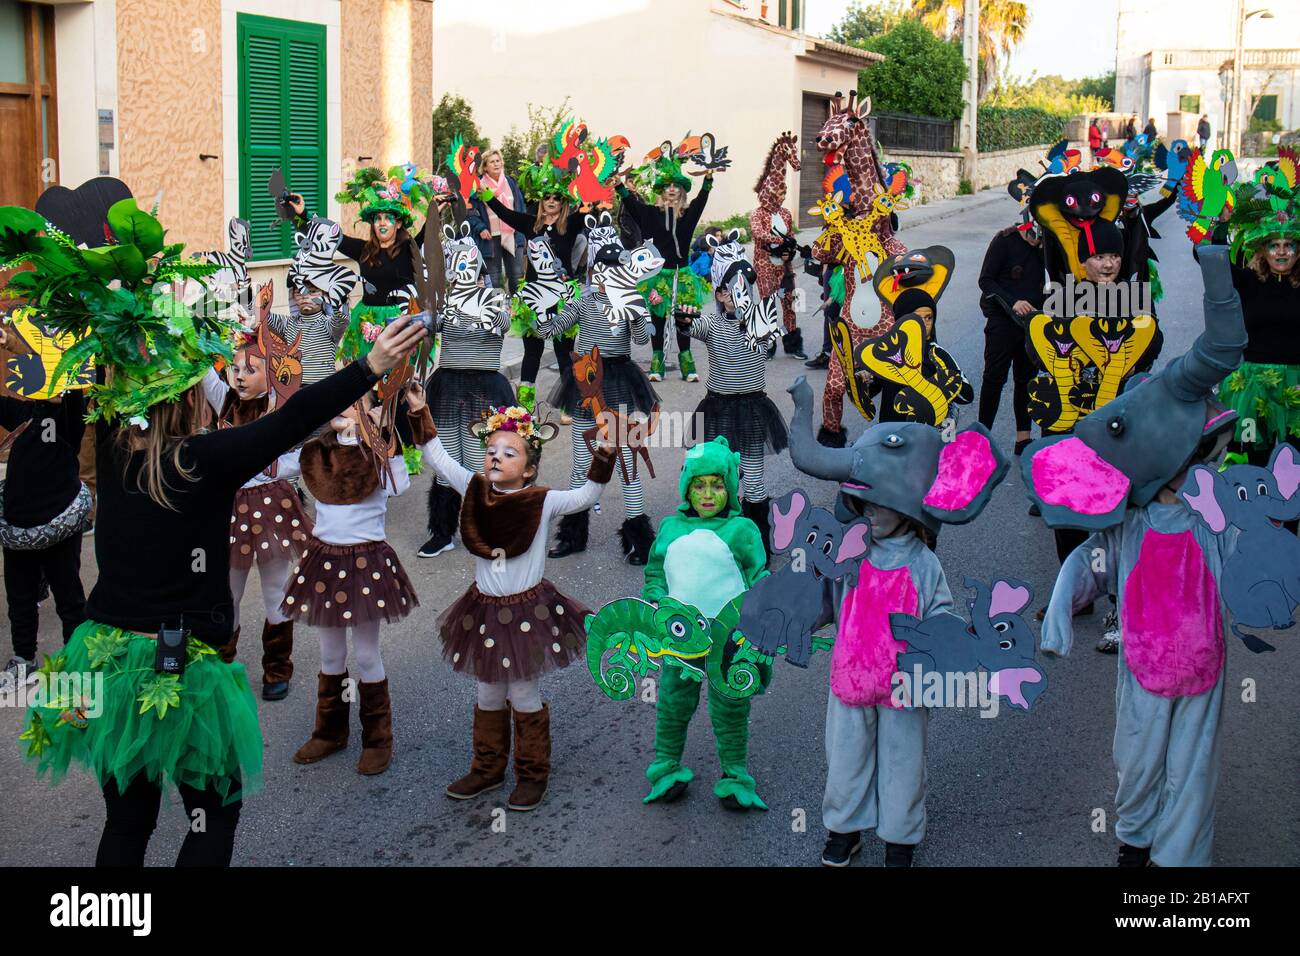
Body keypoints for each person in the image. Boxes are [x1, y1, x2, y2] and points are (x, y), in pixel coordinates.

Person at [10, 198, 426, 866]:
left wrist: (110, 299)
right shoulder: (206, 461)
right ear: (187, 398)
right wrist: (370, 366)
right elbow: (294, 418)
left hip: (107, 664)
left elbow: (74, 380)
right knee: (210, 820)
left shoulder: (114, 451)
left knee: (126, 823)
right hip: (182, 669)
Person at [1030, 246, 1246, 867]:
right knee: (1137, 755)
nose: (1206, 465)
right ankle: (1135, 835)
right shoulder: (1131, 522)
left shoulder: (1215, 514)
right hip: (1143, 666)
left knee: (1194, 769)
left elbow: (1249, 565)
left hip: (1203, 666)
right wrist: (1058, 612)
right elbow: (1092, 567)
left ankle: (1180, 861)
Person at [782, 377, 1007, 868]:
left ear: (911, 507)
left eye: (884, 504)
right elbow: (823, 599)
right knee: (845, 760)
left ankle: (901, 839)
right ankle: (844, 830)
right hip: (850, 680)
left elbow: (942, 612)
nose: (874, 514)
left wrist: (949, 645)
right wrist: (792, 620)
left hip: (908, 688)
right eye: (867, 503)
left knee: (904, 766)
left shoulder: (925, 565)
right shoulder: (849, 551)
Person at [408, 389, 617, 810]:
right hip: (484, 610)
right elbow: (440, 460)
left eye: (509, 452)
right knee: (488, 692)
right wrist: (420, 412)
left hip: (527, 612)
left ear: (529, 470)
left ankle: (531, 773)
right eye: (490, 450)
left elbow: (586, 497)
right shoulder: (474, 490)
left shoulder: (543, 501)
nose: (496, 457)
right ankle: (486, 769)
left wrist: (605, 452)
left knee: (522, 692)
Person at [283, 385, 418, 777]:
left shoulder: (379, 452)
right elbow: (277, 465)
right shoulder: (318, 451)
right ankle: (330, 731)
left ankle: (378, 739)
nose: (344, 408)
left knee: (365, 654)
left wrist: (382, 441)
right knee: (330, 655)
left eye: (357, 403)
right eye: (341, 402)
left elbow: (401, 484)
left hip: (365, 562)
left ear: (374, 411)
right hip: (324, 559)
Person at [641, 437, 770, 810]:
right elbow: (655, 575)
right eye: (699, 485)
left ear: (730, 488)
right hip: (679, 641)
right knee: (673, 703)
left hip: (728, 640)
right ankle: (666, 769)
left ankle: (735, 776)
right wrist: (656, 599)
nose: (709, 494)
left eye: (717, 485)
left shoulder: (742, 530)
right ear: (687, 489)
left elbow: (758, 575)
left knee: (731, 705)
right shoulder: (669, 529)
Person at [199, 307, 312, 701]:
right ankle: (221, 663)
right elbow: (202, 369)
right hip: (228, 510)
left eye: (250, 369)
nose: (240, 377)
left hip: (270, 510)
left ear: (271, 373)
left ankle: (277, 667)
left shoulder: (280, 411)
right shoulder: (225, 401)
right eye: (235, 369)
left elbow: (307, 455)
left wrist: (279, 466)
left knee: (276, 589)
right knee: (224, 590)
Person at [536, 240, 659, 565]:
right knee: (581, 465)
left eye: (616, 269)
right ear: (595, 271)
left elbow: (643, 340)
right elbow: (550, 328)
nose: (608, 275)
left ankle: (640, 542)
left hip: (619, 383)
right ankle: (573, 536)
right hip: (585, 382)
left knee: (624, 463)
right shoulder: (585, 302)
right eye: (602, 269)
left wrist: (635, 316)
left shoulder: (633, 300)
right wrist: (538, 310)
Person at [676, 241, 786, 543]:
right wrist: (682, 320)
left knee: (753, 479)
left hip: (752, 408)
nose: (737, 293)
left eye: (744, 285)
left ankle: (756, 542)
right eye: (729, 288)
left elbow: (765, 344)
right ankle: (720, 541)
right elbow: (691, 327)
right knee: (721, 476)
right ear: (720, 293)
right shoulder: (711, 322)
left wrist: (755, 320)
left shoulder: (760, 319)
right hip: (718, 408)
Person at [0, 325, 89, 688]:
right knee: (19, 598)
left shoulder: (68, 417)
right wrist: (9, 342)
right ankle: (24, 658)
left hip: (58, 522)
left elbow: (72, 379)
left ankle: (77, 661)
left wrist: (51, 346)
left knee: (68, 594)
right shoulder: (24, 412)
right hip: (18, 526)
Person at [418, 230, 515, 560]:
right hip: (447, 386)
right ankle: (442, 532)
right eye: (455, 265)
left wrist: (484, 313)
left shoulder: (493, 297)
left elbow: (502, 323)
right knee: (445, 462)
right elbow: (429, 325)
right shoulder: (445, 301)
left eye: (466, 265)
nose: (461, 272)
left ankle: (487, 528)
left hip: (484, 388)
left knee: (478, 462)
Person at [479, 157, 583, 414]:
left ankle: (568, 405)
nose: (551, 201)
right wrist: (487, 195)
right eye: (546, 197)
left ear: (563, 202)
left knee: (564, 353)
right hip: (533, 298)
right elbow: (504, 213)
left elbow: (586, 206)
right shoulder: (529, 224)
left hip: (562, 298)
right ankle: (524, 403)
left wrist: (594, 195)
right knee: (532, 352)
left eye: (556, 198)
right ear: (540, 199)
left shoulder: (571, 225)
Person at [615, 155, 714, 382]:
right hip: (659, 276)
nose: (672, 189)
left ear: (681, 191)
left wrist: (708, 181)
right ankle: (657, 364)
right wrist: (619, 186)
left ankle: (687, 365)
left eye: (676, 186)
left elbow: (701, 200)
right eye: (668, 186)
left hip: (683, 275)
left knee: (683, 319)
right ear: (661, 190)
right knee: (658, 319)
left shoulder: (688, 214)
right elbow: (631, 203)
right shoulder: (650, 213)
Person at [977, 218, 1045, 453]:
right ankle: (982, 437)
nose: (1037, 241)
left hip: (1032, 323)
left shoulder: (1048, 246)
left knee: (1026, 379)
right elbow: (985, 280)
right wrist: (1013, 301)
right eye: (1035, 235)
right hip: (1002, 321)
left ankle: (1023, 439)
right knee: (994, 378)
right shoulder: (1004, 241)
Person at [472, 149, 527, 295]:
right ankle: (496, 311)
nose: (496, 164)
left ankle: (518, 308)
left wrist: (523, 229)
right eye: (492, 162)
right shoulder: (478, 185)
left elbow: (521, 207)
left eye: (498, 161)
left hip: (513, 234)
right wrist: (480, 228)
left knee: (517, 274)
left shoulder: (510, 182)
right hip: (490, 237)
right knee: (493, 277)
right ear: (484, 167)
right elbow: (470, 212)